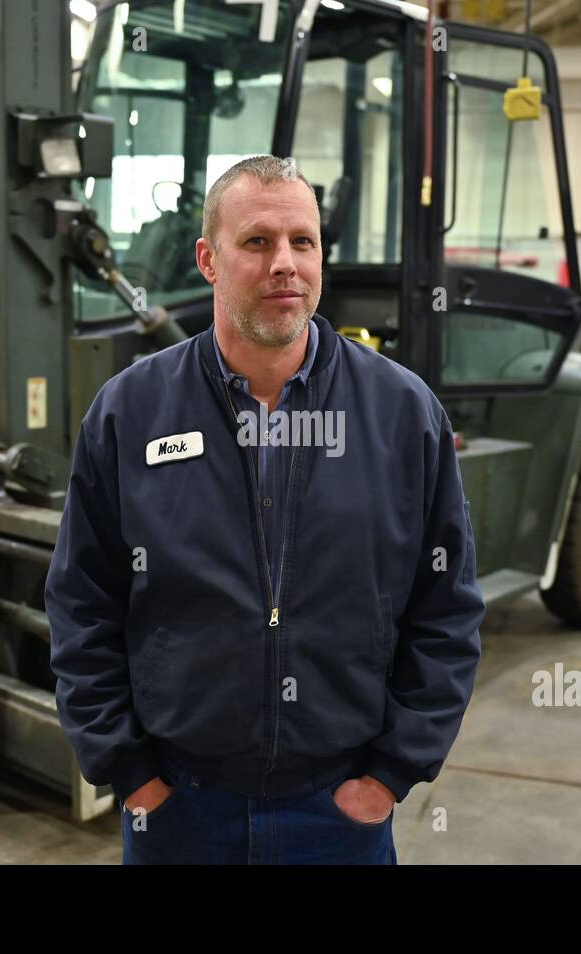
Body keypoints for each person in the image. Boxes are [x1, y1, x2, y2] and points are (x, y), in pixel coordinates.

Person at [45, 155, 484, 864]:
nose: (285, 263)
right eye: (257, 242)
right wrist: (129, 771)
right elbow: (82, 599)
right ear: (208, 259)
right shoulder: (131, 411)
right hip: (181, 808)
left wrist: (389, 775)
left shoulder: (404, 414)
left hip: (339, 812)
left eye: (302, 242)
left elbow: (448, 608)